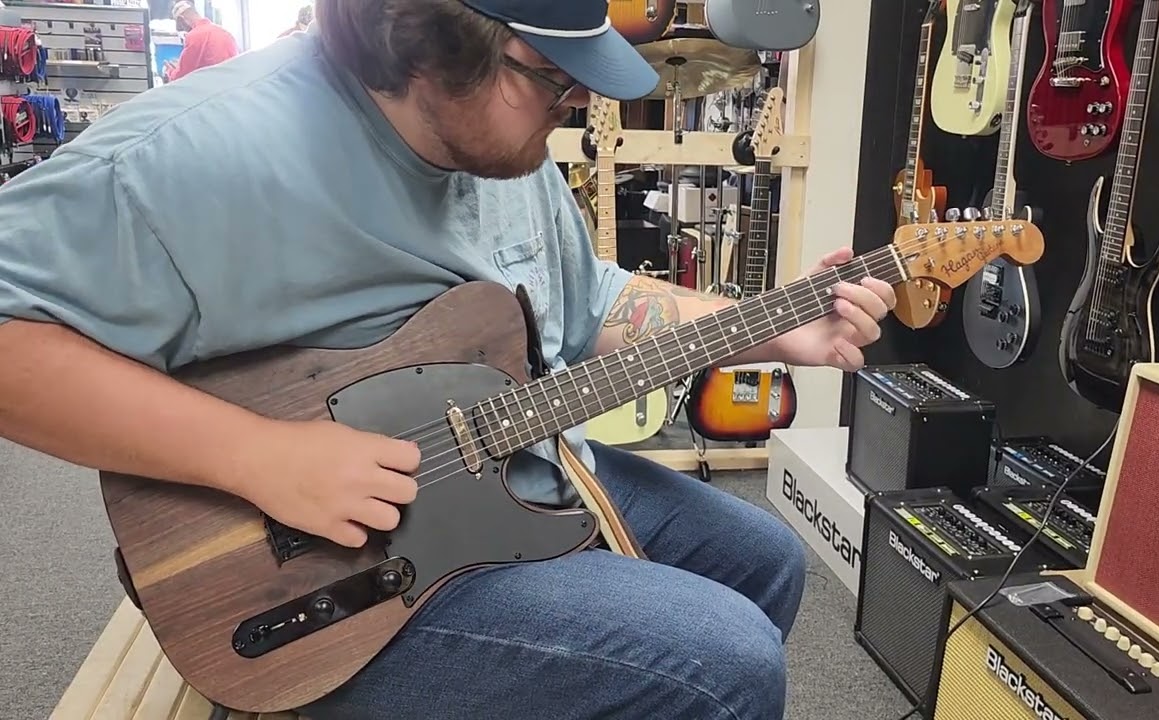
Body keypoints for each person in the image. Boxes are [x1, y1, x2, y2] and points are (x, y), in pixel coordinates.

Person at [0, 0, 895, 718]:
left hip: (518, 480)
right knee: (723, 666)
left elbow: (593, 304)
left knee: (765, 561)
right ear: (426, 42)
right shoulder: (200, 153)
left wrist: (782, 330)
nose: (579, 98)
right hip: (340, 579)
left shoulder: (510, 154)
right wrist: (259, 456)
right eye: (552, 75)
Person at [164, 0, 238, 82]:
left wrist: (169, 71)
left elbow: (181, 77)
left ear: (182, 19)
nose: (182, 30)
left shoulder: (194, 36)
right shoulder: (225, 33)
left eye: (180, 26)